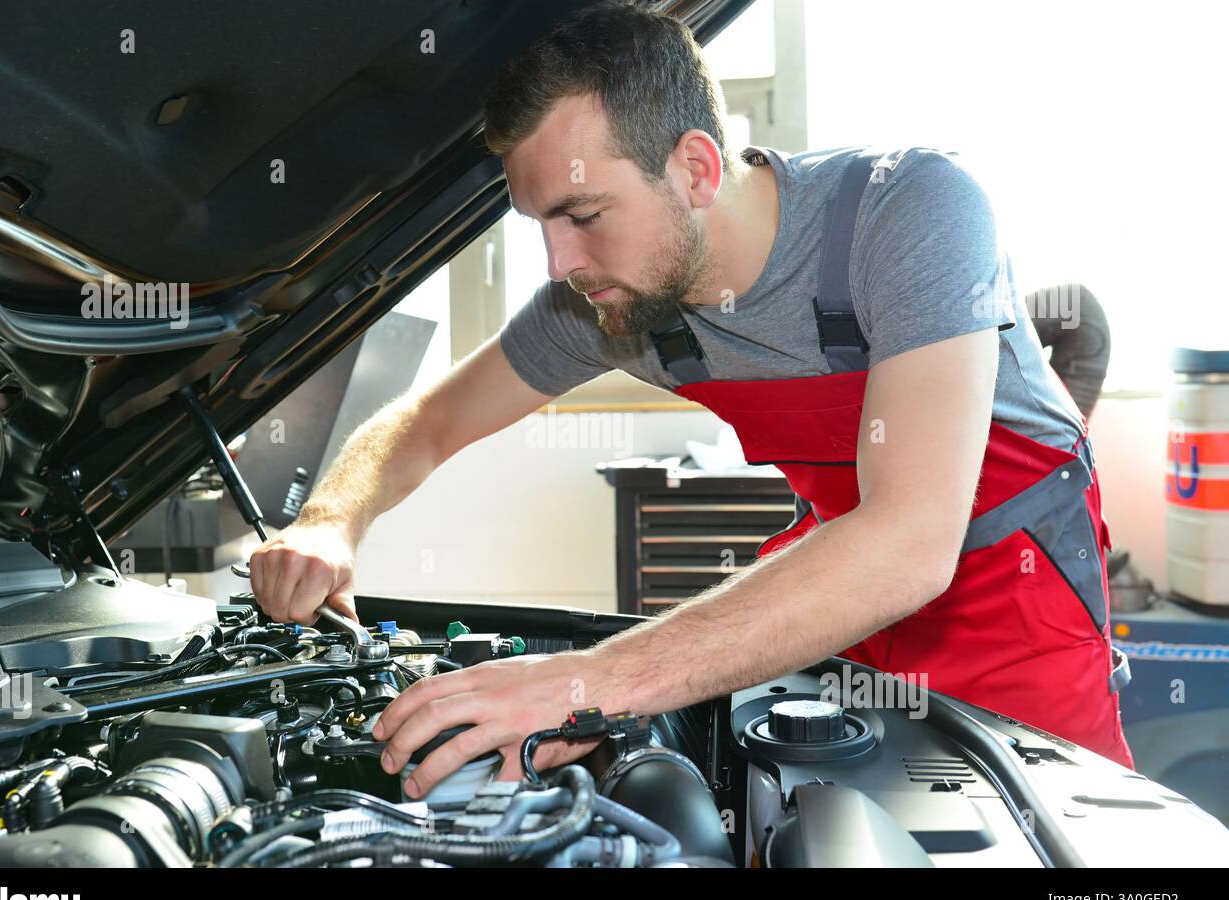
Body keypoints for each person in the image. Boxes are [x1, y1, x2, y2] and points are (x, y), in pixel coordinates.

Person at [249, 2, 1134, 798]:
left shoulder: (911, 210)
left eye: (584, 214)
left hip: (1015, 611)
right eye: (542, 225)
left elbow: (908, 541)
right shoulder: (612, 302)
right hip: (838, 614)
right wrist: (330, 518)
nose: (559, 264)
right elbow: (428, 421)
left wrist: (582, 683)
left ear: (698, 169)